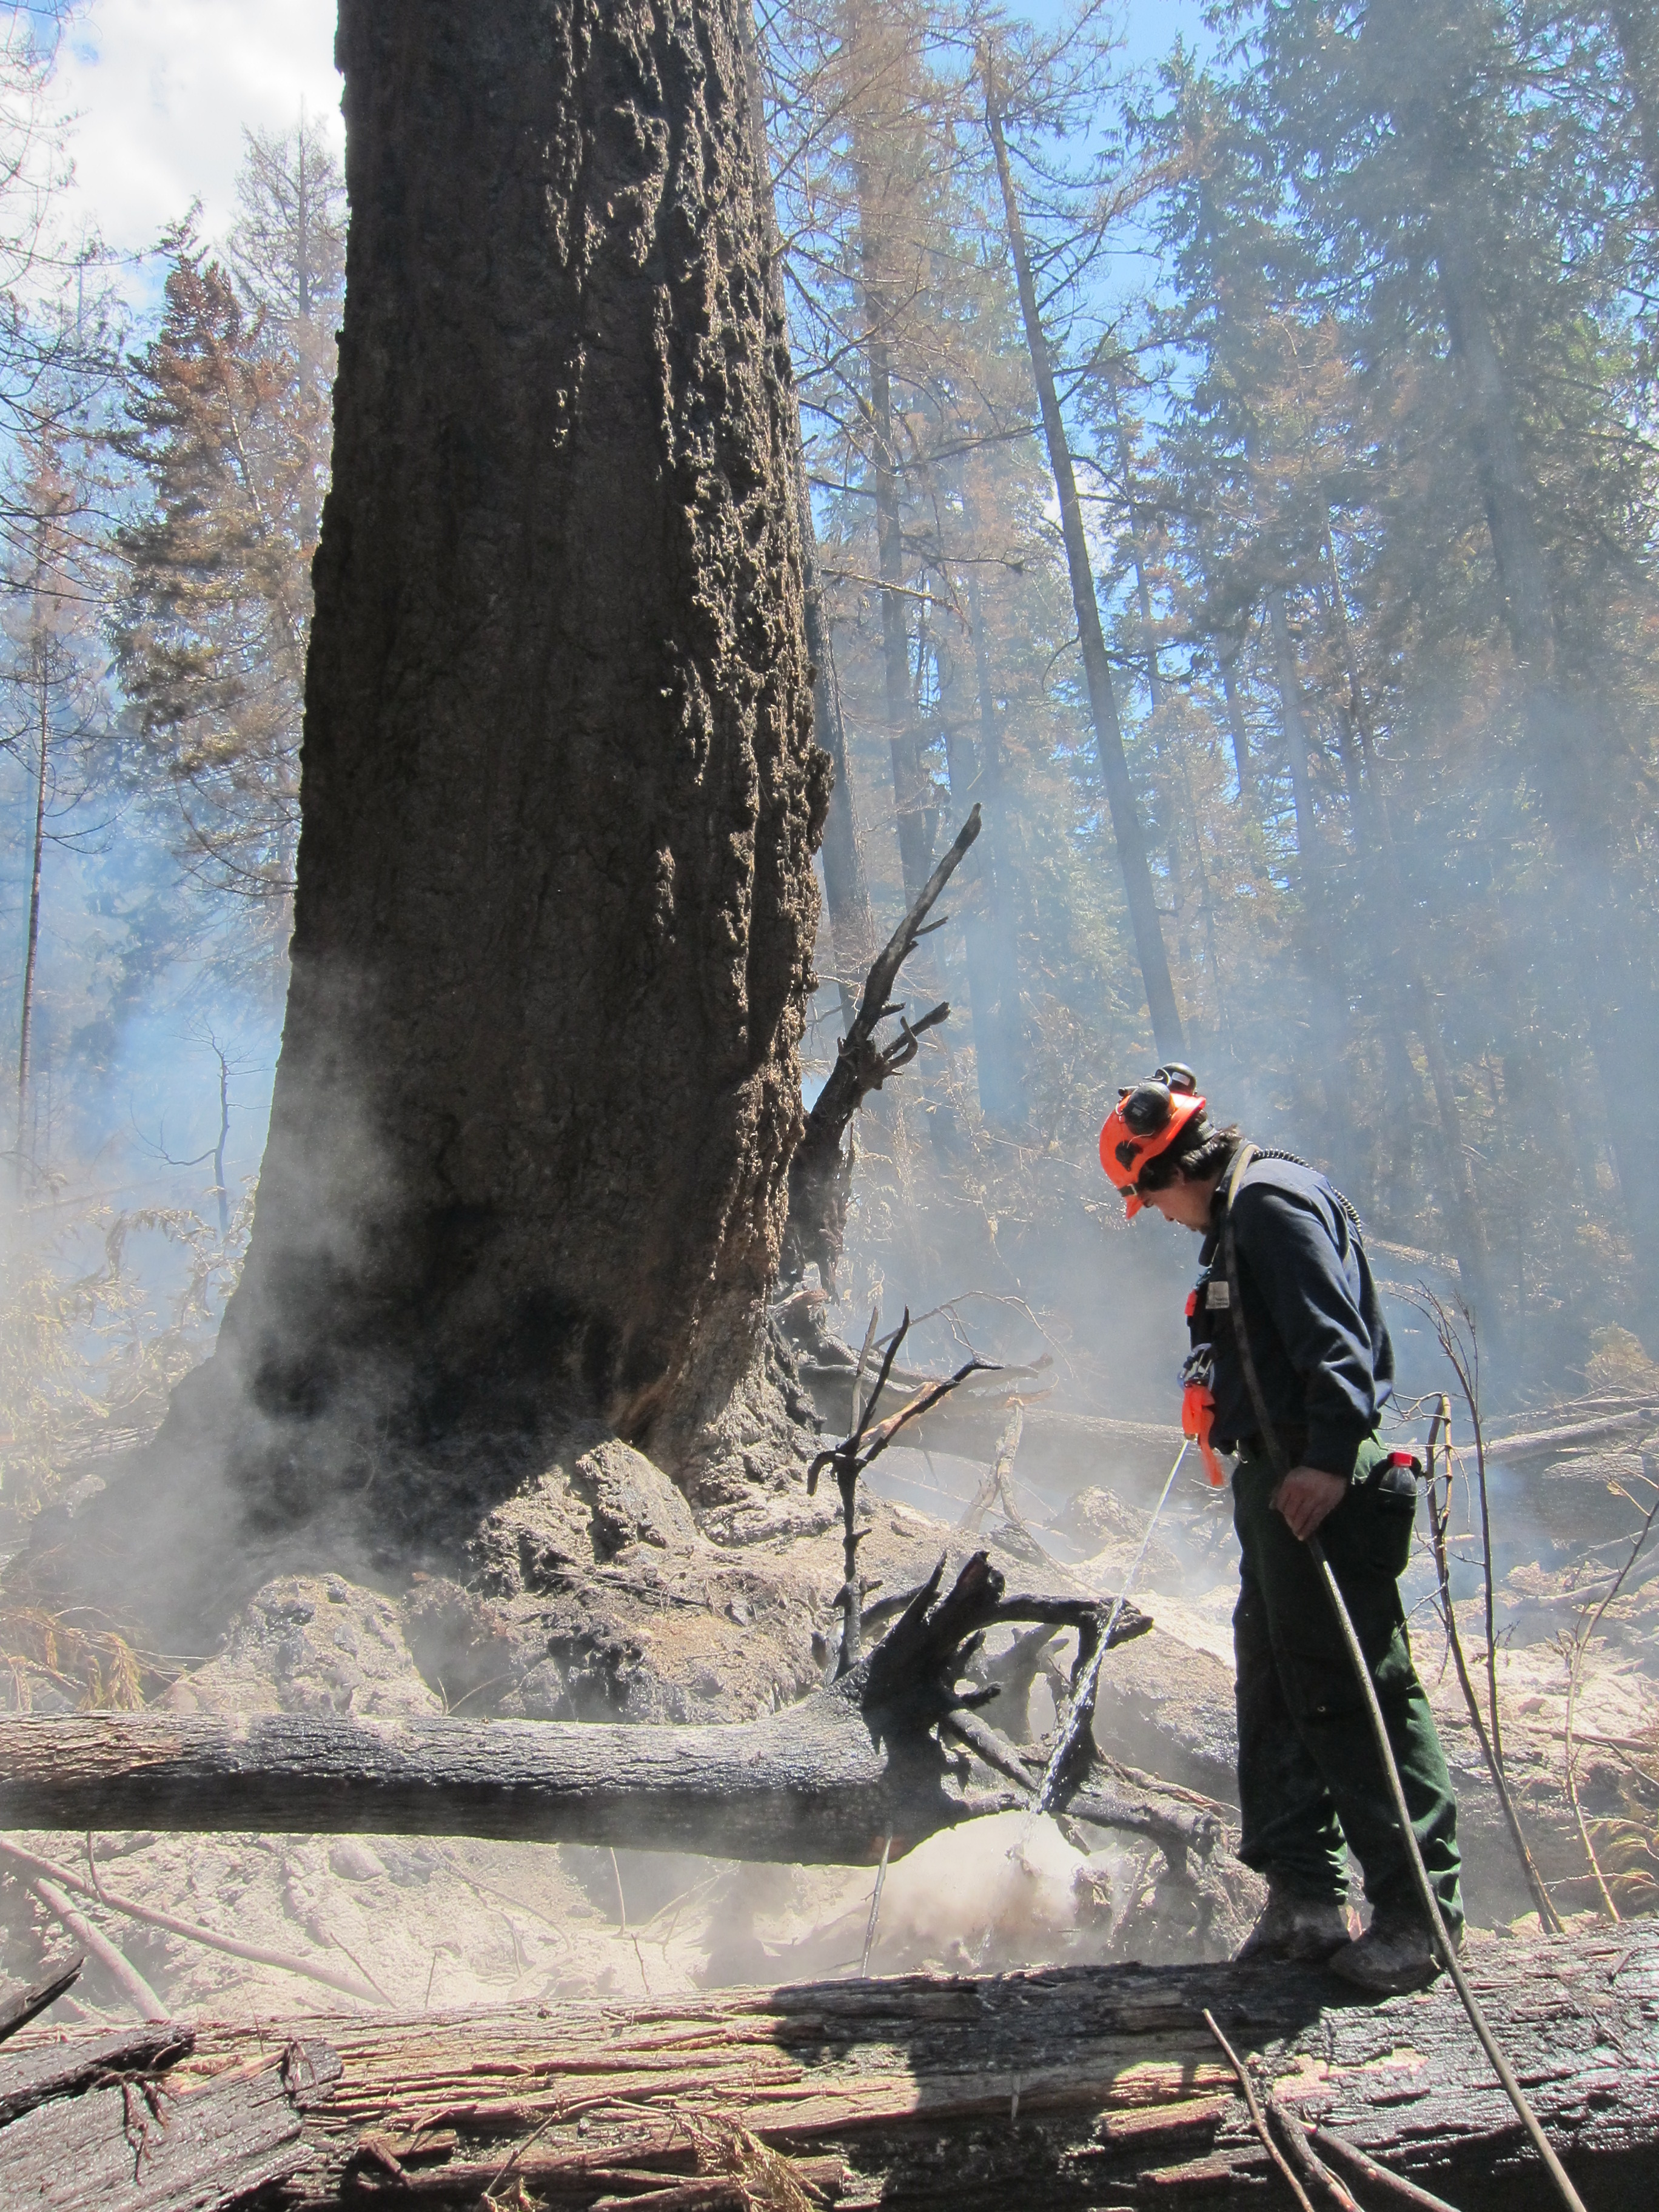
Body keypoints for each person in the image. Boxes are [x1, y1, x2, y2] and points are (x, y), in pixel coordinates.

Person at [1099, 1064, 1464, 1994]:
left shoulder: (1269, 1203)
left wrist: (1327, 1459)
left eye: (1154, 1203)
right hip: (1280, 1478)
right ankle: (1303, 1899)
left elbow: (1334, 1341)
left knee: (1357, 1689)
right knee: (1276, 1681)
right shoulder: (1239, 1215)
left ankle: (1420, 1917)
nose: (1167, 1222)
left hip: (1319, 1482)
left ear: (1166, 1171)